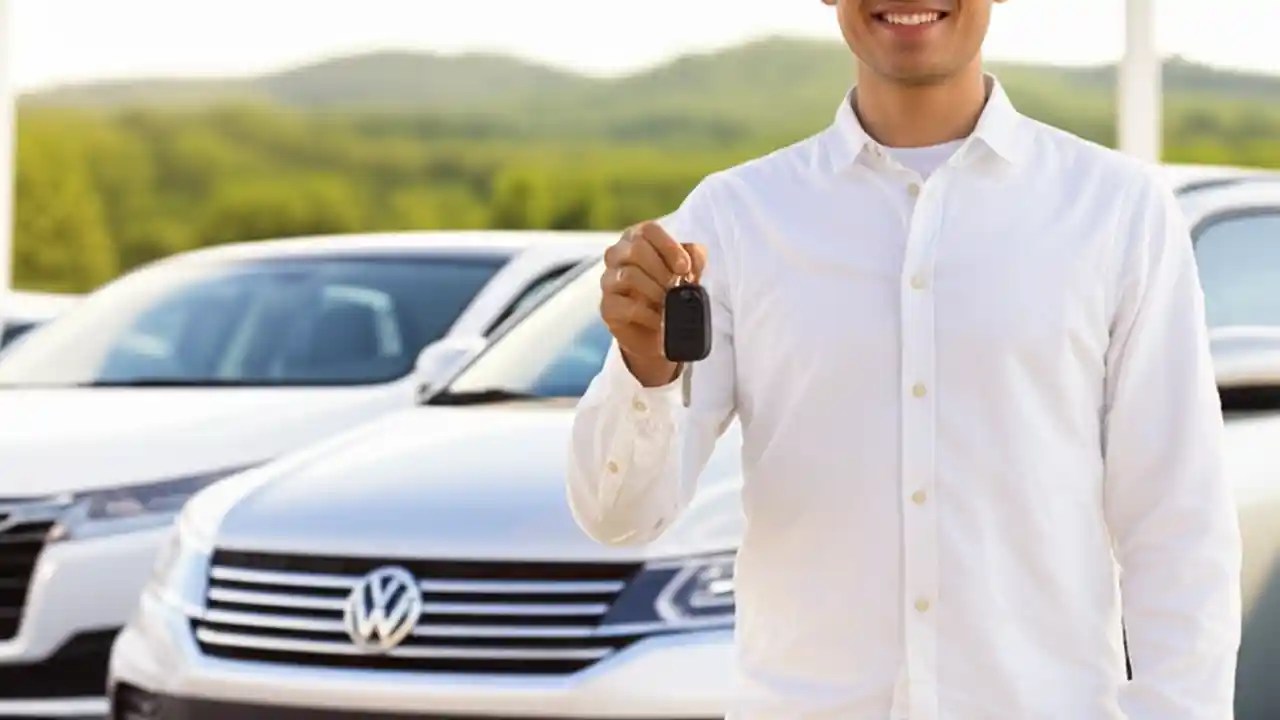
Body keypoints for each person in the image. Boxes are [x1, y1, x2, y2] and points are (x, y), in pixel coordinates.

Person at [567, 1, 1242, 718]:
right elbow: (620, 518)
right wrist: (646, 376)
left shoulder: (1119, 213)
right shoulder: (735, 219)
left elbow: (1178, 526)